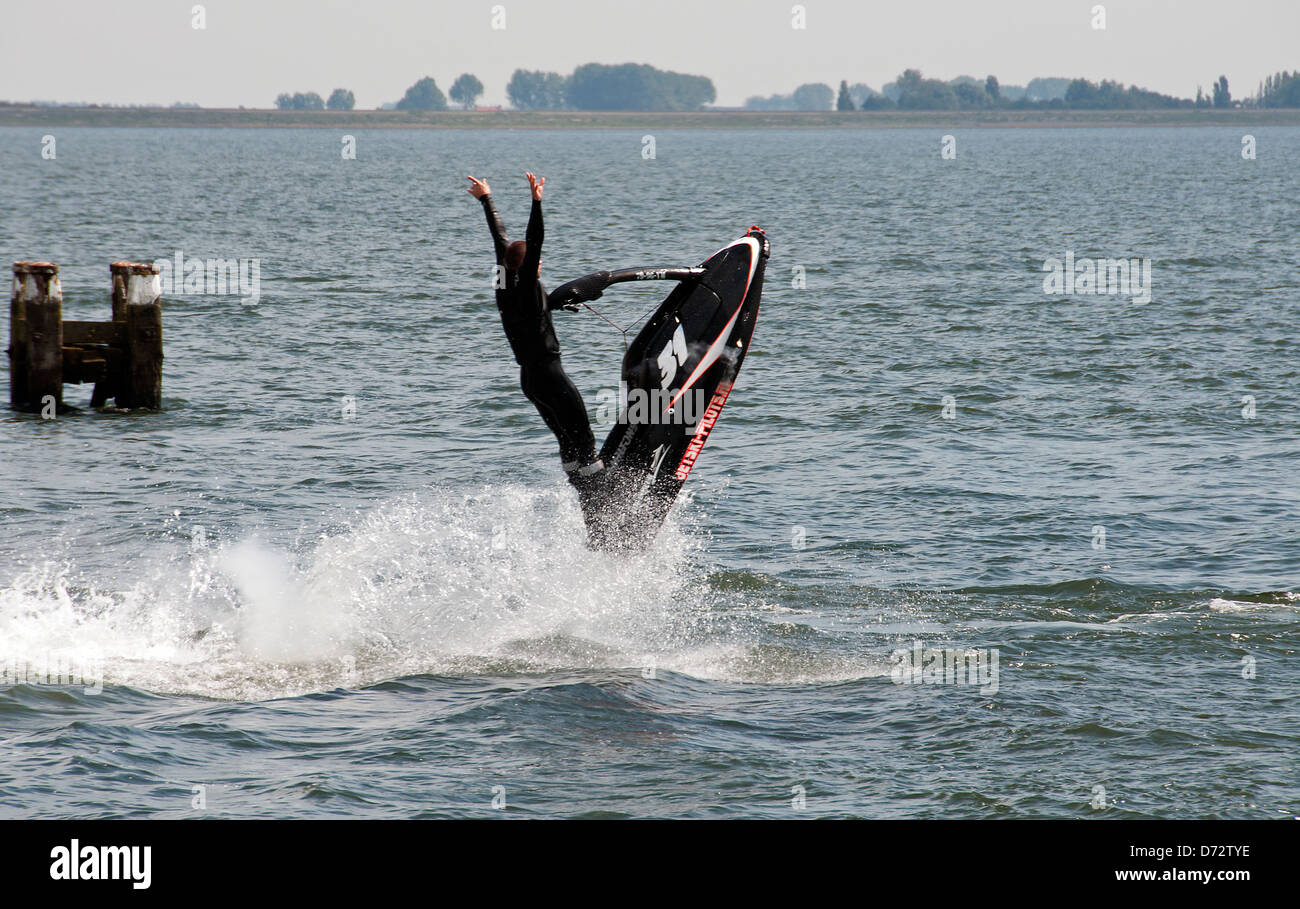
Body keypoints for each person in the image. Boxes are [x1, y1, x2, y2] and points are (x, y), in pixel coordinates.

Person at [466, 172, 606, 506]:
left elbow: (500, 240)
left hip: (529, 380)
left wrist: (487, 199)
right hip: (550, 375)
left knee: (566, 441)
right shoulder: (527, 287)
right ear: (527, 266)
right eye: (536, 260)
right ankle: (603, 493)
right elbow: (534, 239)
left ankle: (584, 494)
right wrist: (536, 202)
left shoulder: (503, 282)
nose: (540, 261)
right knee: (584, 439)